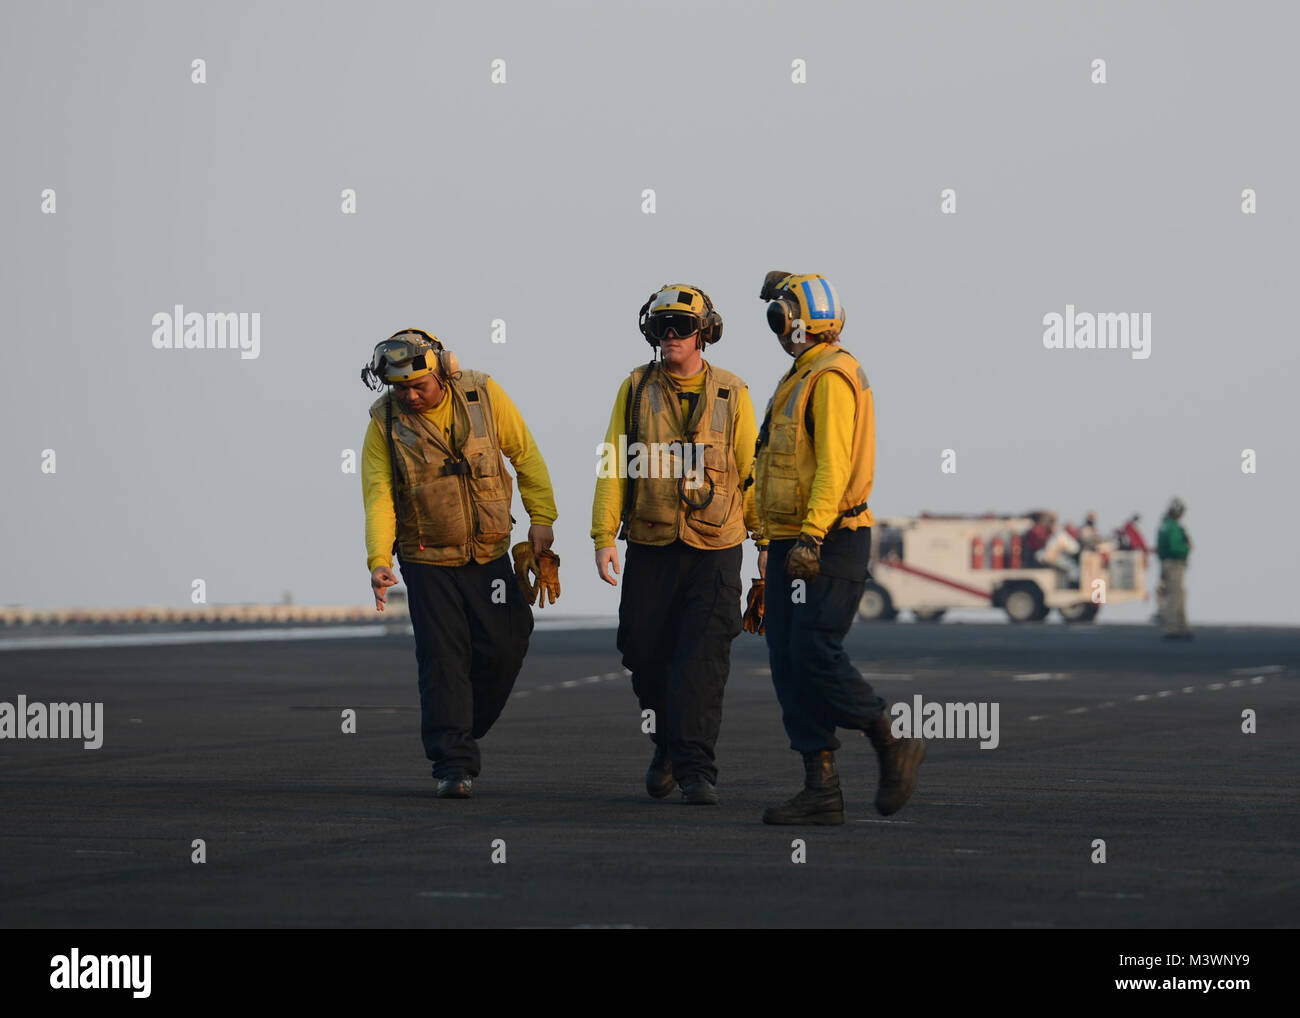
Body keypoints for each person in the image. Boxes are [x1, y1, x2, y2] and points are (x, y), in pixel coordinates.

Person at [749, 271, 925, 825]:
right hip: (789, 542)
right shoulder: (798, 376)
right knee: (787, 660)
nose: (775, 326)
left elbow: (834, 465)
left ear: (798, 325)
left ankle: (888, 736)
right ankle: (820, 786)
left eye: (779, 315)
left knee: (815, 651)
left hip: (831, 538)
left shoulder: (829, 378)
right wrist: (765, 537)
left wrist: (811, 535)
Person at [360, 329, 559, 798]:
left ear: (442, 372)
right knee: (442, 659)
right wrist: (378, 558)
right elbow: (379, 495)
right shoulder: (383, 422)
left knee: (508, 643)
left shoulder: (483, 395)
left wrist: (542, 519)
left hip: (488, 554)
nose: (410, 396)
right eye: (400, 388)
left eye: (419, 386)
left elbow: (525, 455)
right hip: (426, 559)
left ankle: (462, 728)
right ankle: (453, 764)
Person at [592, 284, 762, 805]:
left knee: (704, 660)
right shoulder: (635, 389)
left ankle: (695, 771)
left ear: (704, 333)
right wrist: (603, 535)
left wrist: (767, 546)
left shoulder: (734, 392)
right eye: (662, 326)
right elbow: (613, 462)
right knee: (641, 651)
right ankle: (664, 745)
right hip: (651, 543)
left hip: (716, 550)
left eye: (681, 327)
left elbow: (752, 472)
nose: (670, 336)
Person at [1156, 497, 1192, 639]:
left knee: (1180, 594)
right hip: (1175, 564)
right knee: (1174, 596)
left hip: (1166, 563)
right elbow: (1175, 547)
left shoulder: (1164, 526)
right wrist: (1186, 548)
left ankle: (1182, 626)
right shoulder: (1173, 527)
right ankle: (1171, 628)